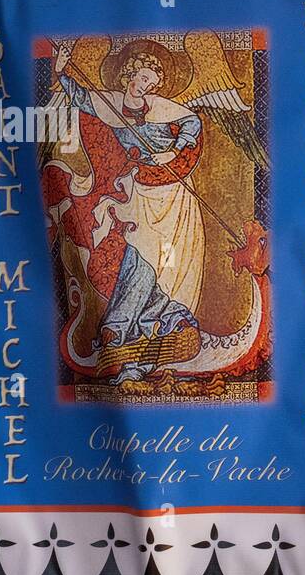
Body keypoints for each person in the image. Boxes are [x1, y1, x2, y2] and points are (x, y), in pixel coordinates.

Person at [44, 40, 204, 382]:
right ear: (129, 75)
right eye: (142, 78)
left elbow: (192, 124)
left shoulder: (160, 108)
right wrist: (60, 68)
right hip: (134, 193)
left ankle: (139, 329)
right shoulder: (109, 104)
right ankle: (128, 333)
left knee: (161, 266)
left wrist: (173, 151)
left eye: (151, 83)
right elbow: (80, 96)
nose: (145, 87)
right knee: (139, 260)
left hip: (171, 195)